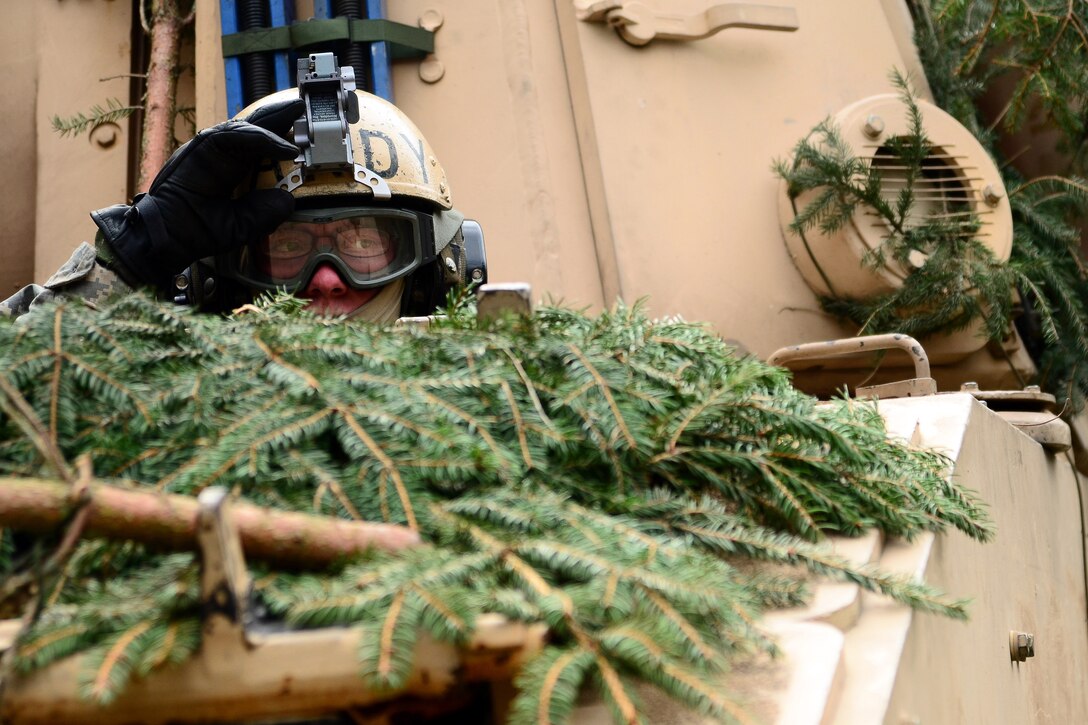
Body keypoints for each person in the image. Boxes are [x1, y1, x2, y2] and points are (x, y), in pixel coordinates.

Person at [1, 55, 482, 321]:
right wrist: (135, 255)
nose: (326, 280)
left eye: (361, 242)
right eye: (289, 245)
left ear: (433, 273)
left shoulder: (505, 399)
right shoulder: (164, 401)